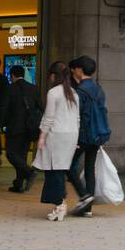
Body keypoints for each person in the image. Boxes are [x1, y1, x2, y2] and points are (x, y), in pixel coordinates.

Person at [34, 60, 81, 221]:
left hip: (56, 136)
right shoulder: (74, 94)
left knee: (53, 171)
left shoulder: (53, 93)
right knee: (61, 170)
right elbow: (77, 119)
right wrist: (76, 138)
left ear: (53, 76)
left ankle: (60, 204)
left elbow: (48, 118)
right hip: (71, 135)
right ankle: (59, 204)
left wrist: (42, 136)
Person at [69, 56, 104, 217]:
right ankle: (88, 209)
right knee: (90, 169)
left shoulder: (80, 90)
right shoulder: (99, 89)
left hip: (82, 135)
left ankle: (85, 196)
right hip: (97, 135)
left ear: (80, 70)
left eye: (75, 68)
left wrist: (75, 138)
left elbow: (77, 116)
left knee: (68, 166)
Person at [1, 64, 39, 193]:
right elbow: (40, 107)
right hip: (29, 128)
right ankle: (18, 184)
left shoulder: (10, 89)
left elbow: (4, 109)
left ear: (12, 75)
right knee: (21, 156)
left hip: (14, 127)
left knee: (11, 154)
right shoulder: (33, 89)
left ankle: (29, 172)